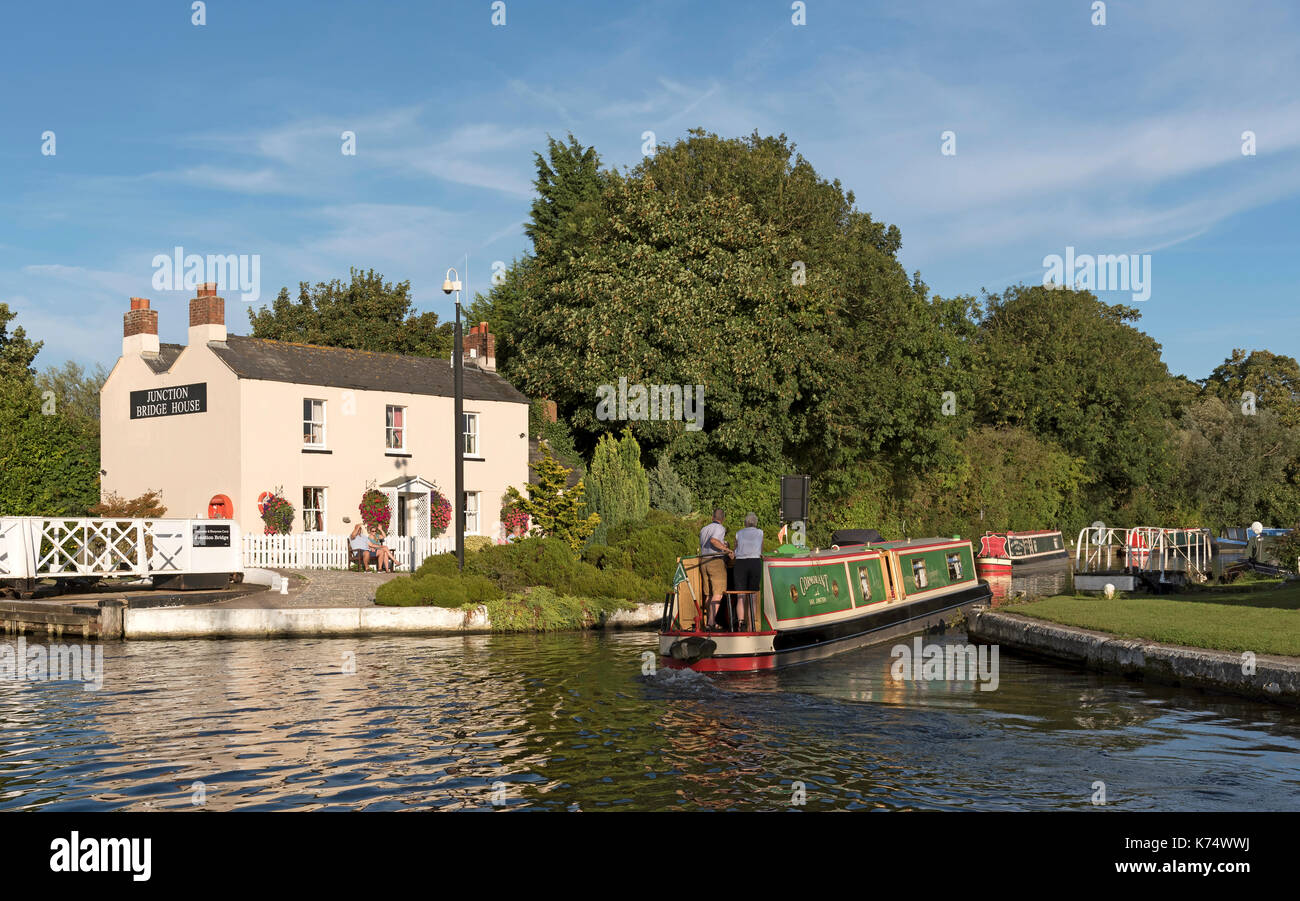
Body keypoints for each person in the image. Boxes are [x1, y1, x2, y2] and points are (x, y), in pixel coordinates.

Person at [698, 508, 732, 630]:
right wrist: (727, 550)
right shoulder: (720, 528)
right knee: (718, 594)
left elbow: (706, 543)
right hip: (715, 562)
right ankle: (711, 623)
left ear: (712, 517)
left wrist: (722, 544)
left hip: (703, 562)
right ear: (722, 519)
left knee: (709, 594)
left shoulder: (704, 529)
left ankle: (709, 621)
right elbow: (713, 541)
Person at [732, 513, 764, 630]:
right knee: (753, 596)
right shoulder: (760, 532)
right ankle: (751, 626)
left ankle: (741, 624)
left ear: (745, 523)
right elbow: (761, 550)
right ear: (755, 523)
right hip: (754, 562)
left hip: (740, 563)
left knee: (741, 596)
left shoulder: (739, 533)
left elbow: (735, 548)